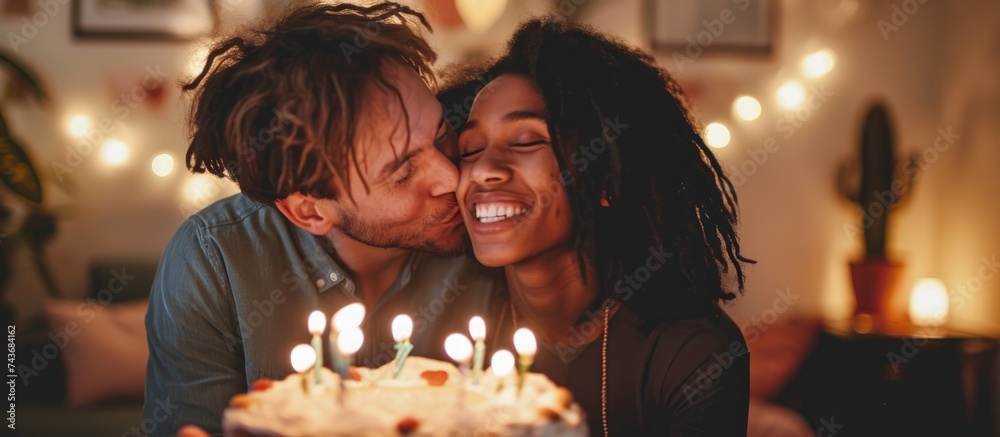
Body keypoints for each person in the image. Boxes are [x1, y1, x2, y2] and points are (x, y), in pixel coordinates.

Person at [143, 4, 504, 436]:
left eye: (440, 130)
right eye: (403, 172)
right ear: (309, 210)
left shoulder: (494, 221)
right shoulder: (212, 261)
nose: (451, 178)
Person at [439, 17, 754, 436]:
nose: (483, 170)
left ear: (608, 177)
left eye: (527, 141)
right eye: (471, 149)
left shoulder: (691, 354)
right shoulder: (445, 319)